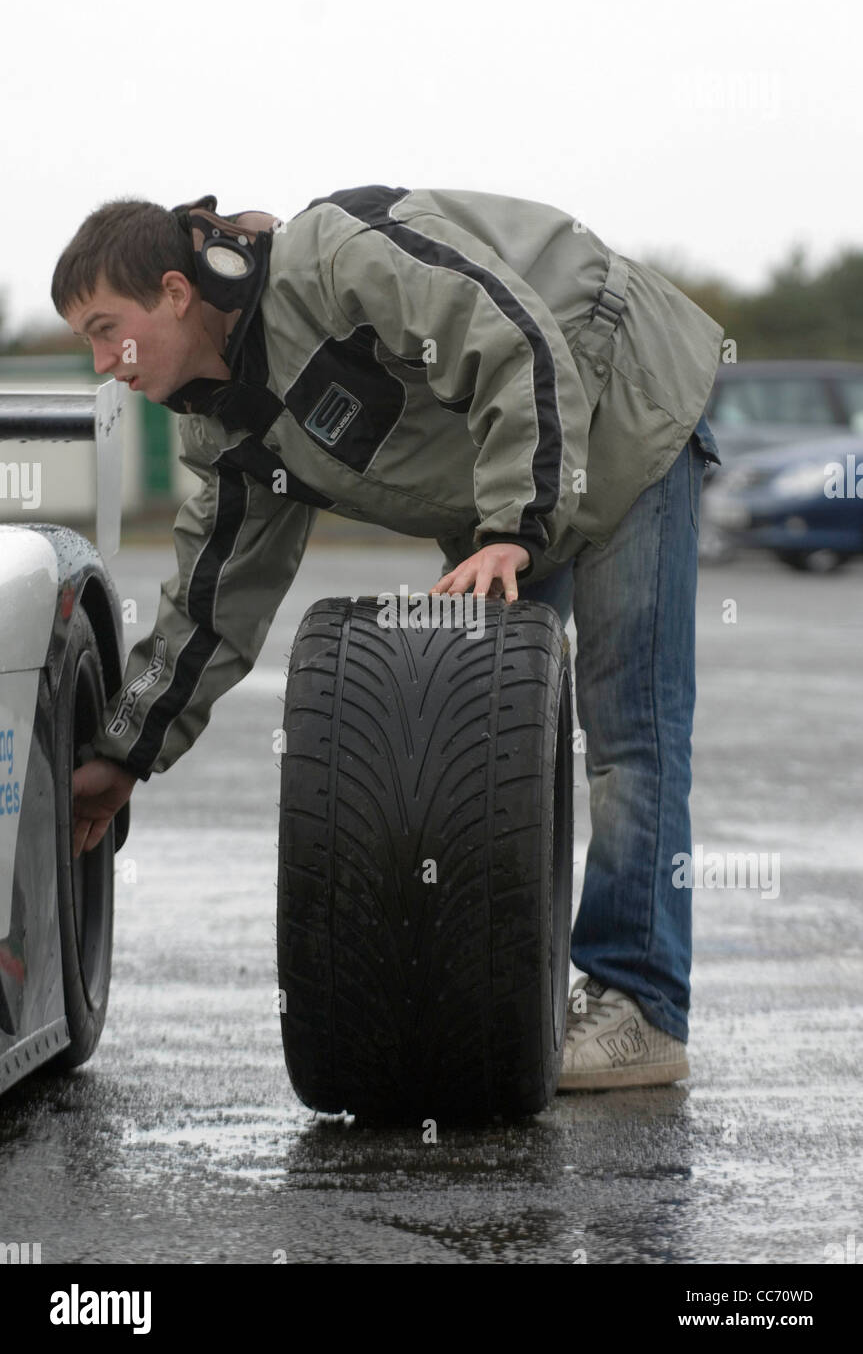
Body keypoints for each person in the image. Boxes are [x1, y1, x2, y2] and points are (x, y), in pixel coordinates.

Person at [51, 184, 723, 1092]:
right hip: (518, 491)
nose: (103, 365)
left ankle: (641, 1009)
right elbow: (214, 599)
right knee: (477, 745)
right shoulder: (226, 423)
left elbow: (509, 337)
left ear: (174, 292)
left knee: (629, 735)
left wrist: (507, 532)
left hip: (619, 409)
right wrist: (125, 754)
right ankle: (497, 1001)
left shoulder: (336, 258)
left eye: (104, 328)